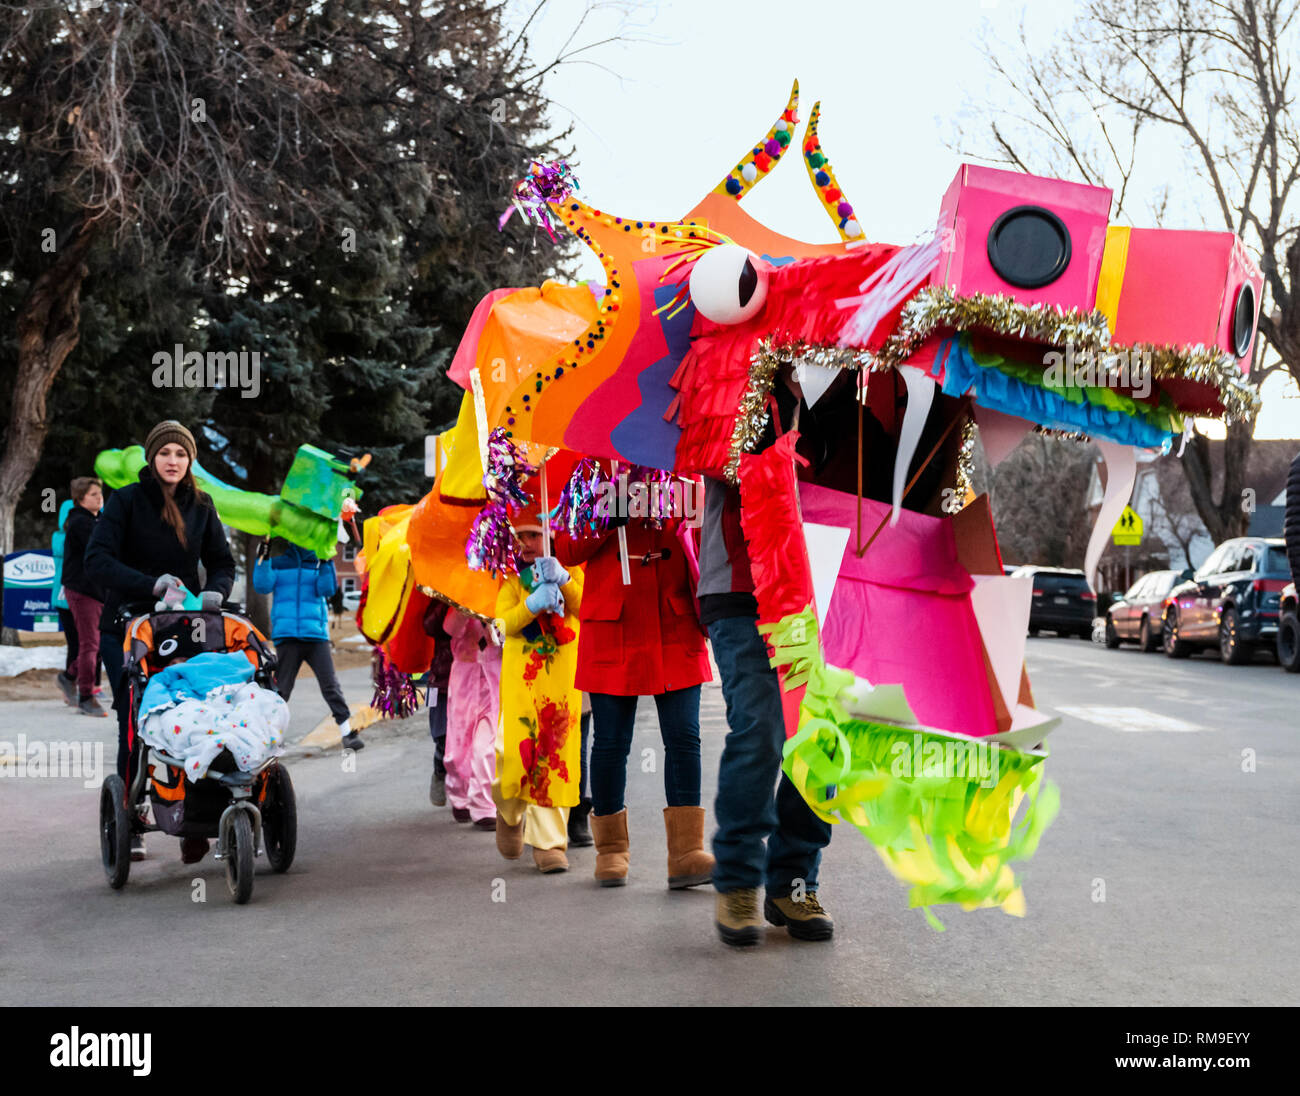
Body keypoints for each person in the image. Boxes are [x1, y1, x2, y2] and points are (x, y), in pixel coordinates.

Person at [85, 420, 236, 863]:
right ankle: (132, 818)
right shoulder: (126, 502)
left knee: (194, 717)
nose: (173, 461)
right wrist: (150, 585)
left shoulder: (202, 505)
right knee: (136, 721)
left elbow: (222, 562)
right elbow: (97, 561)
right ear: (152, 458)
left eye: (181, 454)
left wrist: (218, 592)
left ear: (190, 461)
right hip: (128, 628)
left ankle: (196, 817)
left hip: (185, 629)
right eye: (166, 453)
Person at [554, 484, 714, 888]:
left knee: (685, 737)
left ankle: (686, 853)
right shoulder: (590, 476)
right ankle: (610, 850)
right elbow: (567, 549)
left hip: (674, 619)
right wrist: (609, 513)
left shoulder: (682, 465)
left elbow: (704, 533)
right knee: (610, 741)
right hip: (613, 624)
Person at [493, 515, 584, 874]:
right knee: (510, 755)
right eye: (521, 536)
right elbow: (500, 626)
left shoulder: (572, 569)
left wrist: (564, 580)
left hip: (561, 682)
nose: (527, 542)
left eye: (535, 534)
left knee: (553, 758)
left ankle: (549, 843)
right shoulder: (510, 578)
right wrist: (530, 606)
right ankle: (509, 811)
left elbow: (587, 608)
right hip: (521, 680)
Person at [253, 538, 362, 750]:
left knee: (330, 685)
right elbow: (262, 585)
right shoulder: (279, 562)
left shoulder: (318, 562)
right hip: (287, 636)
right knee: (282, 689)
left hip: (316, 637)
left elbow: (327, 589)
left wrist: (327, 562)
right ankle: (269, 738)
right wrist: (263, 557)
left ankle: (347, 732)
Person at [444, 606, 500, 828]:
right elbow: (450, 629)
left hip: (493, 677)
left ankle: (484, 805)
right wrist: (464, 609)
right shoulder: (460, 594)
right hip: (465, 677)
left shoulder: (500, 593)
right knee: (459, 746)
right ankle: (459, 795)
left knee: (486, 745)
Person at [60, 477, 108, 716]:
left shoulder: (96, 520)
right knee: (90, 644)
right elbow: (101, 551)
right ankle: (86, 696)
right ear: (80, 500)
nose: (99, 498)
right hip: (81, 590)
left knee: (96, 645)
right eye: (93, 495)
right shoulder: (81, 522)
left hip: (96, 591)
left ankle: (68, 676)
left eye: (100, 493)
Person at [422, 600, 454, 808]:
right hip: (441, 681)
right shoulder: (439, 597)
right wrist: (446, 604)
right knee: (442, 738)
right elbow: (429, 626)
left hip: (475, 680)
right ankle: (439, 772)